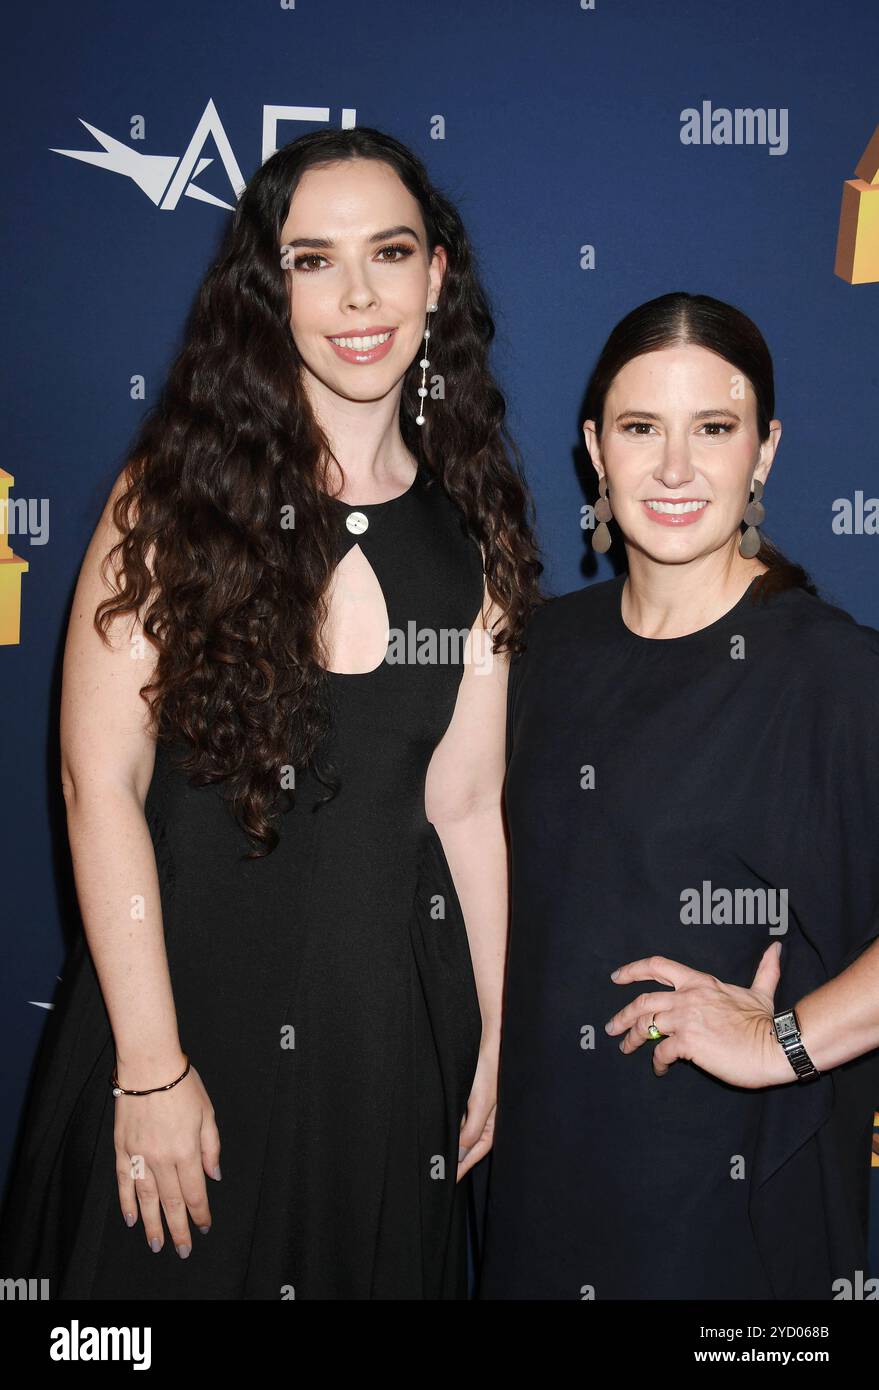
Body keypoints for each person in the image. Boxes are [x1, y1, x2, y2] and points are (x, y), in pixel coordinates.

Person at [0, 126, 543, 1300]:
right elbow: (98, 782)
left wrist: (501, 1032)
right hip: (180, 1014)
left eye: (390, 253)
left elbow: (464, 805)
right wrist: (149, 1065)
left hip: (387, 1040)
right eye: (313, 259)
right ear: (267, 288)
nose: (358, 295)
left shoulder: (476, 531)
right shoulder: (174, 496)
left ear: (436, 276)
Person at [477, 291, 879, 1300]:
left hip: (726, 1202)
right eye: (641, 427)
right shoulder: (539, 650)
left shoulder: (833, 673)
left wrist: (782, 1041)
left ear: (766, 450)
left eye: (715, 428)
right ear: (594, 447)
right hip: (540, 1173)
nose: (674, 468)